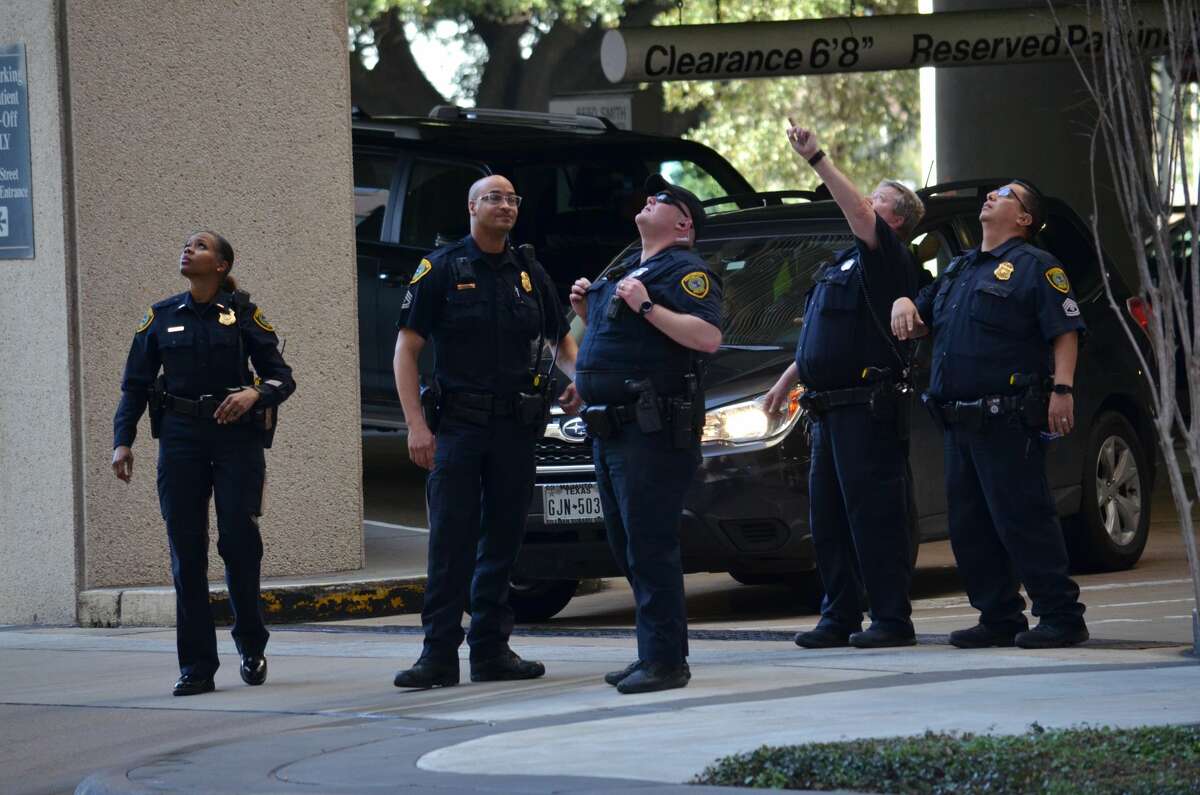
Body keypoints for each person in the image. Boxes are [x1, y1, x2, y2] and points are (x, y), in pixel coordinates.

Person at [392, 175, 579, 689]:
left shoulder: (528, 270)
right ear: (472, 206)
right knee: (451, 541)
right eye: (493, 197)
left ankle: (492, 651)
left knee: (502, 541)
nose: (504, 205)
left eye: (512, 198)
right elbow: (406, 350)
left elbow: (561, 340)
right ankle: (437, 656)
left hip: (515, 429)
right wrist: (416, 425)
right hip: (457, 428)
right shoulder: (443, 267)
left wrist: (577, 381)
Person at [891, 180, 1089, 649]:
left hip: (1007, 419)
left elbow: (1065, 329)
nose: (992, 197)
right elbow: (919, 314)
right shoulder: (960, 269)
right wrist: (903, 300)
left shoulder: (1037, 267)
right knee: (969, 526)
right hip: (957, 421)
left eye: (1006, 194)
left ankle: (1061, 615)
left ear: (1024, 218)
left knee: (1023, 519)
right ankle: (999, 616)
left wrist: (1063, 389)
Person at [764, 119, 925, 650]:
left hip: (866, 408)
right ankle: (838, 616)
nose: (862, 201)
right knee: (828, 518)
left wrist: (817, 159)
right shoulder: (843, 263)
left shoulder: (887, 257)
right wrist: (788, 378)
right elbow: (824, 334)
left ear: (894, 219)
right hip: (826, 409)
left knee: (873, 517)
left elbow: (856, 210)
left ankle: (891, 619)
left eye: (875, 198)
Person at [112, 231, 295, 696]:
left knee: (238, 541)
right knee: (186, 552)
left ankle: (251, 643)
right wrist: (123, 441)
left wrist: (256, 392)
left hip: (236, 439)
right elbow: (135, 384)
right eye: (187, 245)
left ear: (220, 265)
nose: (188, 250)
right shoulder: (160, 315)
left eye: (200, 246)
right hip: (181, 439)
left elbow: (281, 376)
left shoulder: (245, 315)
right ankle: (196, 666)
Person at [570, 175, 722, 694]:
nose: (650, 200)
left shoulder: (687, 271)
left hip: (650, 430)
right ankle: (652, 652)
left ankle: (665, 662)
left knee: (650, 545)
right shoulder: (630, 267)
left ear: (683, 224)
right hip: (611, 428)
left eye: (664, 200)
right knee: (626, 542)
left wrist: (647, 306)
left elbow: (707, 337)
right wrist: (589, 313)